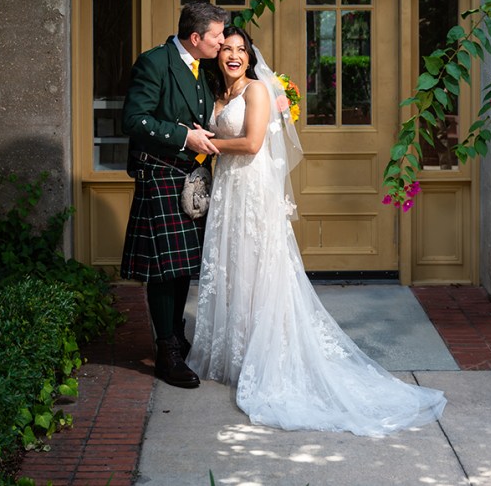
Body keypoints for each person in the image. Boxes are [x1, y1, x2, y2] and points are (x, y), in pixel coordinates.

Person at [187, 26, 447, 436]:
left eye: (241, 50)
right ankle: (235, 354)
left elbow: (254, 144)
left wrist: (202, 143)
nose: (233, 55)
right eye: (227, 49)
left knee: (259, 268)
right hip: (227, 191)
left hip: (252, 190)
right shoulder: (220, 95)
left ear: (251, 58)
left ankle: (267, 354)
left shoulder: (255, 91)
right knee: (231, 267)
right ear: (218, 56)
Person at [120, 1, 230, 388]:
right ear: (196, 37)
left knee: (182, 265)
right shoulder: (155, 62)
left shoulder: (202, 67)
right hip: (162, 173)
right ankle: (165, 350)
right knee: (164, 270)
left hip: (191, 176)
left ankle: (176, 335)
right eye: (217, 35)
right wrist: (185, 136)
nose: (222, 41)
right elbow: (133, 119)